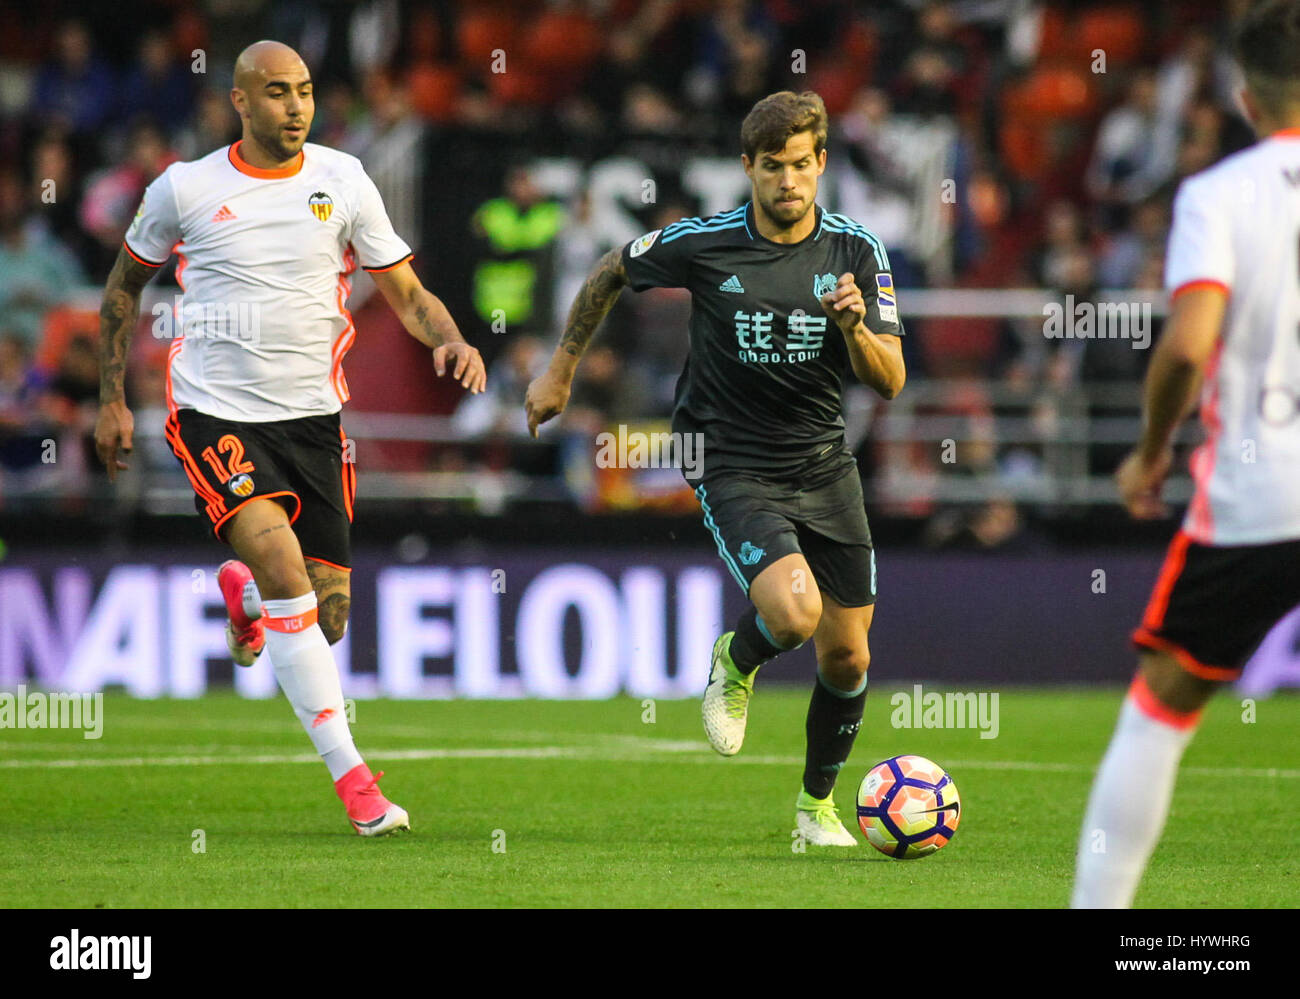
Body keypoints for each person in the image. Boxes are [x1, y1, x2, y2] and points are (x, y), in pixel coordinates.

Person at [93, 40, 485, 837]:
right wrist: (108, 400)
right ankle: (359, 786)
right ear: (240, 101)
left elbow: (405, 292)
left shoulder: (343, 178)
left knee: (328, 613)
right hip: (215, 414)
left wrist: (451, 336)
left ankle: (244, 613)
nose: (296, 107)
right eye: (277, 93)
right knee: (283, 571)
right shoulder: (186, 188)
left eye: (305, 91)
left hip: (315, 421)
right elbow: (123, 287)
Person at [526, 90, 906, 845]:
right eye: (772, 167)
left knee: (849, 653)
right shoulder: (706, 243)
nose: (788, 181)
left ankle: (815, 808)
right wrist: (560, 368)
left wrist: (856, 328)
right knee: (795, 614)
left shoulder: (857, 253)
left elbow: (890, 379)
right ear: (748, 169)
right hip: (729, 458)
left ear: (822, 164)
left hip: (824, 464)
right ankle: (736, 657)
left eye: (802, 165)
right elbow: (609, 269)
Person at [1072, 0, 1300, 907]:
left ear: (1247, 99)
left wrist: (1151, 451)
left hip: (1260, 492)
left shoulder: (1219, 196)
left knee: (1162, 708)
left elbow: (1186, 343)